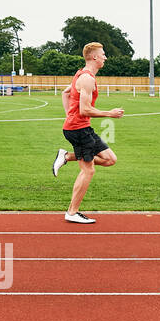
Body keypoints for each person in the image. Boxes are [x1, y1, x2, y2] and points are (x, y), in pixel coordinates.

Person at [50, 42, 123, 224]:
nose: (105, 57)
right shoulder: (87, 78)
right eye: (103, 54)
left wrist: (69, 115)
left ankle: (66, 156)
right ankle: (72, 212)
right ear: (95, 57)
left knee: (110, 159)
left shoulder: (81, 74)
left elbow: (65, 94)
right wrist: (110, 114)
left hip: (80, 127)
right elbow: (84, 109)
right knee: (88, 170)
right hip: (78, 130)